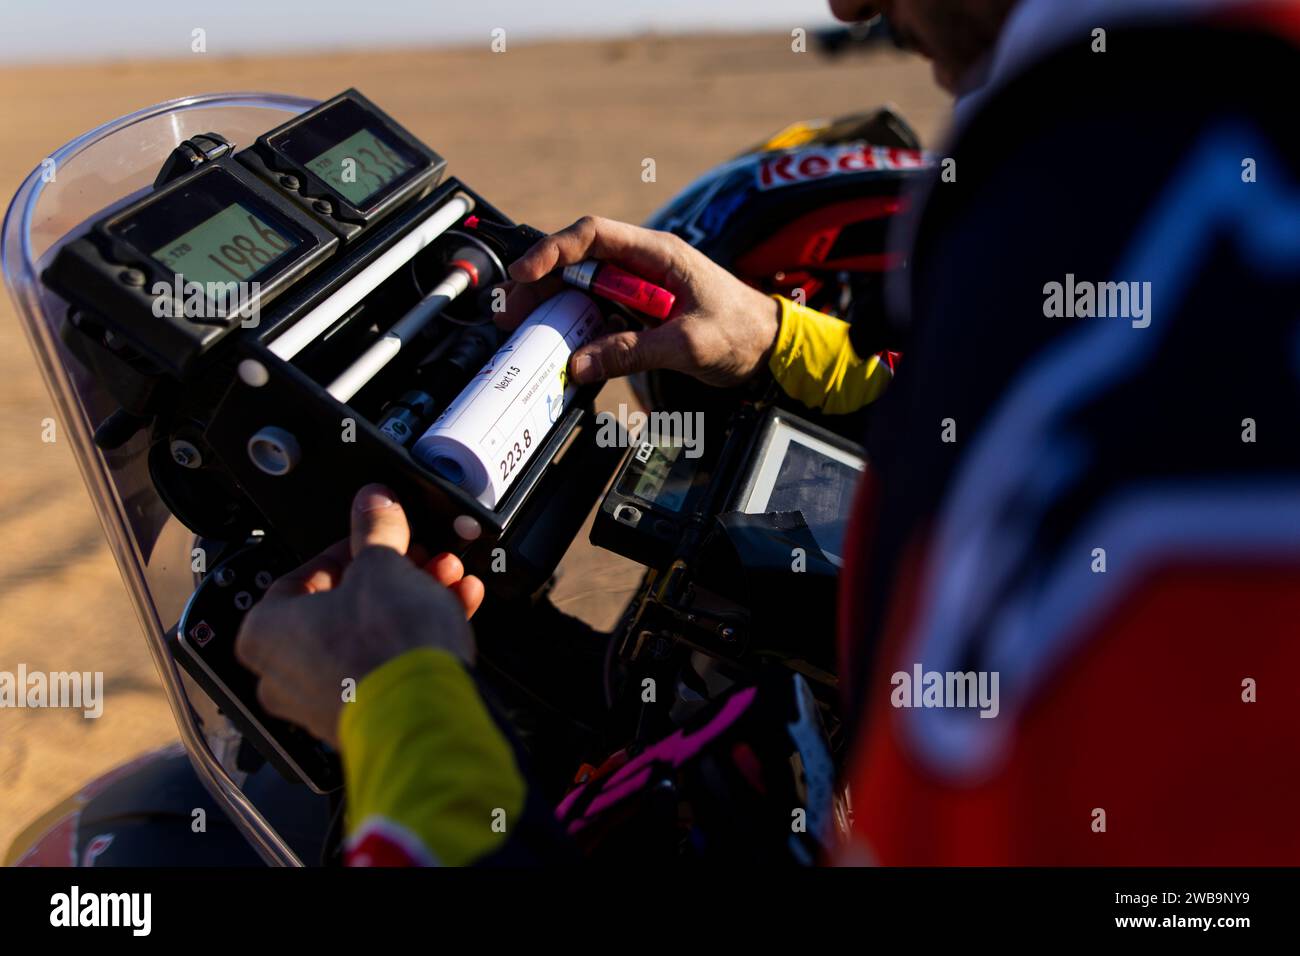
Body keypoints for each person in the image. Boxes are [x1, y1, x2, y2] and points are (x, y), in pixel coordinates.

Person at [236, 0, 1300, 865]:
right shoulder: (1192, 158)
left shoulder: (1134, 187)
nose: (849, 5)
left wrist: (396, 706)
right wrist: (782, 343)